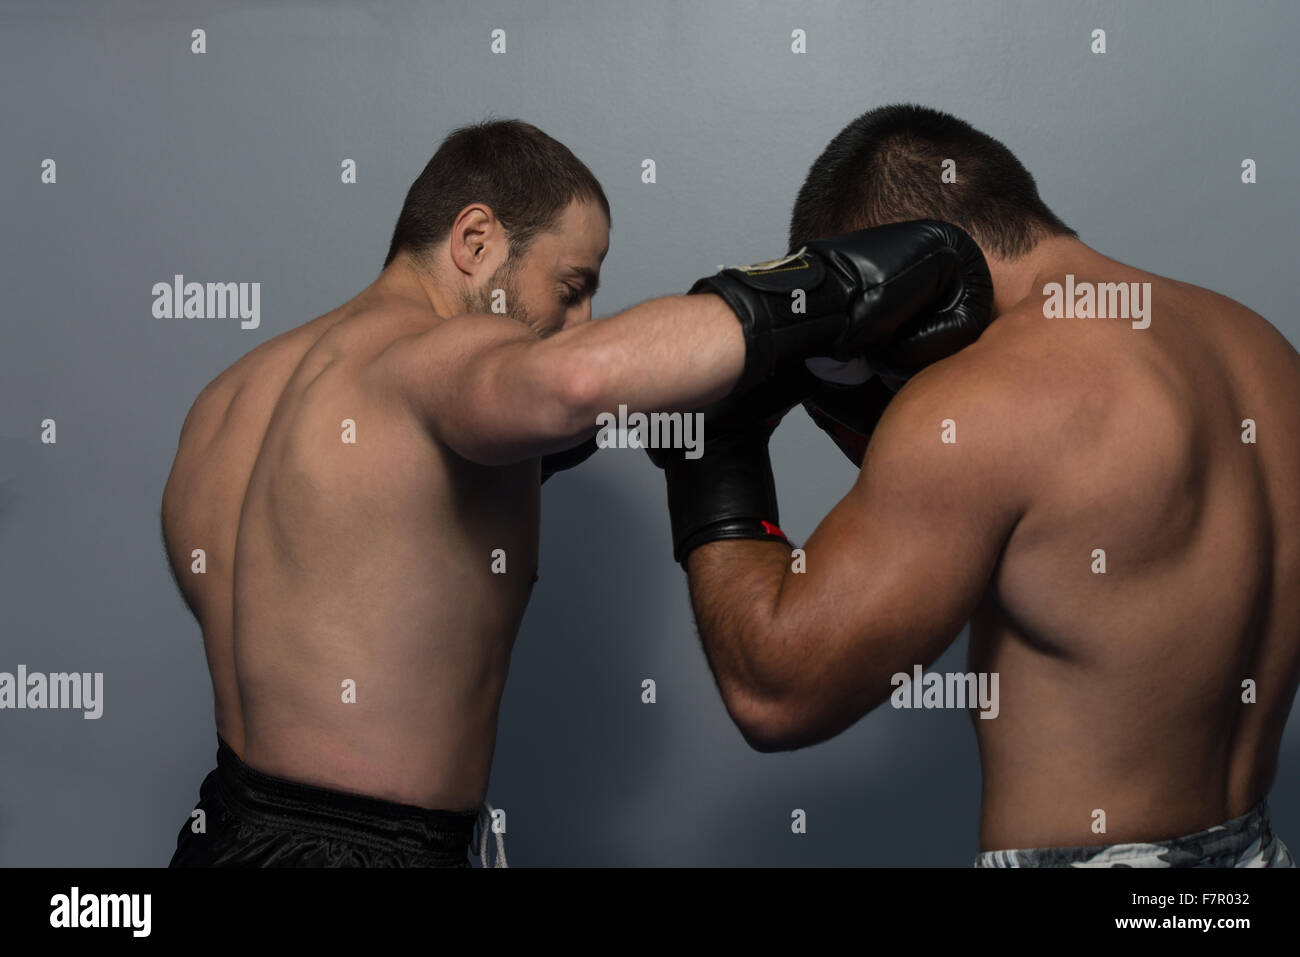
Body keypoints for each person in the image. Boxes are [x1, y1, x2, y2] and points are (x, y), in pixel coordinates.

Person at [162, 117, 991, 867]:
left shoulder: (234, 401)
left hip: (221, 833)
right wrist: (831, 288)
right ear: (476, 240)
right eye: (571, 287)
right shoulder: (426, 361)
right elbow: (575, 381)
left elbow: (355, 564)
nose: (583, 318)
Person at [649, 104, 1298, 868]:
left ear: (889, 273)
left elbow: (775, 691)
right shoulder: (1260, 347)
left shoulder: (982, 402)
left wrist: (713, 451)